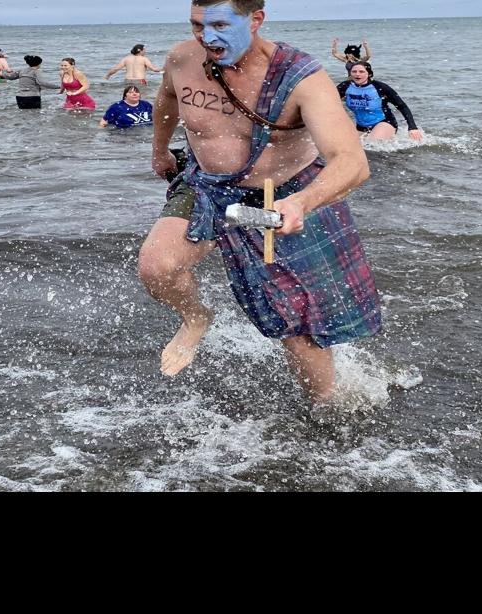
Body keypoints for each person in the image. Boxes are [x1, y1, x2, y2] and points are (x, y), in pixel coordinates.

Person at [139, 0, 380, 403]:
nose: (207, 37)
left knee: (300, 329)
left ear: (256, 20)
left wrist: (303, 202)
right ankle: (196, 318)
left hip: (282, 195)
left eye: (219, 24)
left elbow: (352, 163)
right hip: (208, 186)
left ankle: (324, 407)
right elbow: (166, 99)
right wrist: (160, 150)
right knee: (156, 268)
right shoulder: (183, 58)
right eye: (198, 25)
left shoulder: (302, 76)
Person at [336, 62, 421, 141]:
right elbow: (329, 101)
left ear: (369, 74)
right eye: (354, 71)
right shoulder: (345, 86)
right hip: (361, 126)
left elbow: (402, 106)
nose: (357, 74)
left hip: (384, 122)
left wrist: (412, 127)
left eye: (361, 71)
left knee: (371, 144)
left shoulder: (380, 87)